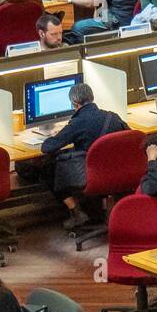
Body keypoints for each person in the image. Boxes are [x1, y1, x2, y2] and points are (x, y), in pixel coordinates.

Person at [40, 81, 127, 230]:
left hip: (90, 175)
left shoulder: (77, 122)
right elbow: (130, 136)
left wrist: (51, 136)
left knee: (46, 166)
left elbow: (48, 147)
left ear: (75, 103)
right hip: (118, 172)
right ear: (92, 97)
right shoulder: (113, 116)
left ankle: (76, 212)